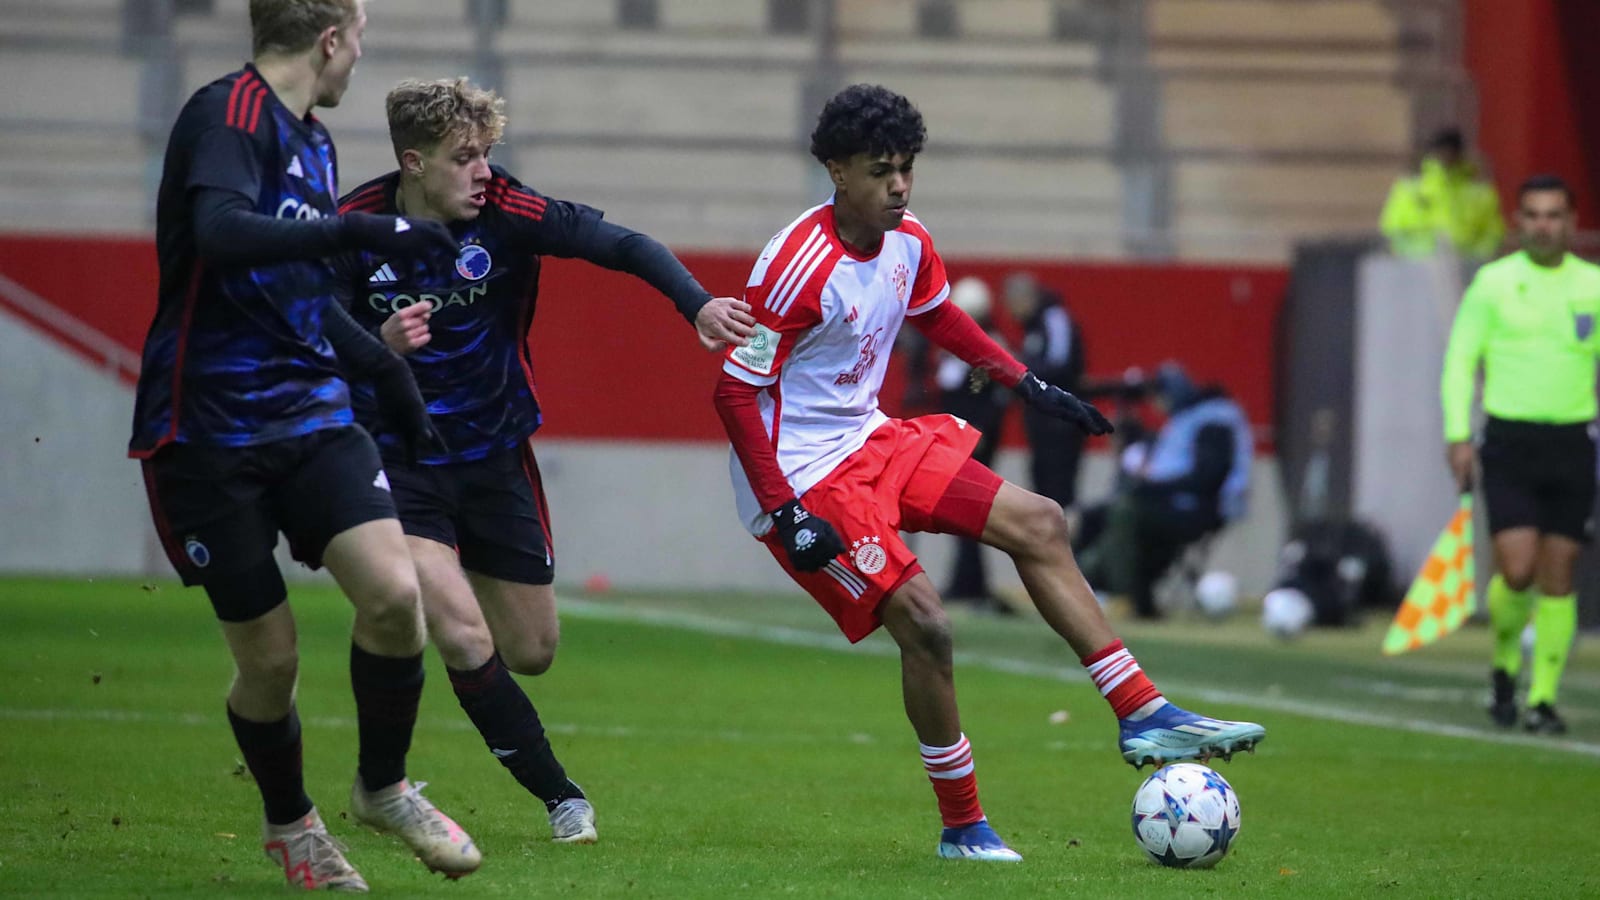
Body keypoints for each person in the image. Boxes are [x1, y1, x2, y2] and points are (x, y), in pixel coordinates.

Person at [712, 84, 1265, 863]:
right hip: (801, 476)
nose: (900, 186)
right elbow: (735, 389)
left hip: (869, 440)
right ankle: (963, 826)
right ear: (837, 171)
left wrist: (1028, 384)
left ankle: (1143, 710)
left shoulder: (908, 240)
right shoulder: (798, 266)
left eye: (907, 168)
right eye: (881, 171)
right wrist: (784, 508)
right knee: (928, 625)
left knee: (1041, 521)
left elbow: (939, 314)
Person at [333, 77, 755, 844]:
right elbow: (299, 338)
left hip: (494, 456)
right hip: (397, 462)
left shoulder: (509, 213)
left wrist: (695, 303)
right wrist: (376, 351)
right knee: (460, 631)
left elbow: (621, 243)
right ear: (413, 161)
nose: (484, 170)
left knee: (531, 651)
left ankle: (382, 650)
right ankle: (560, 797)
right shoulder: (352, 228)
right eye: (466, 157)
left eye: (488, 153)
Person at [128, 1, 482, 890]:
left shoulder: (315, 144)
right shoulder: (227, 118)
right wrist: (358, 230)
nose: (359, 57)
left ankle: (384, 786)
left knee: (396, 595)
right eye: (358, 38)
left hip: (314, 417)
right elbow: (220, 233)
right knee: (271, 658)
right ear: (331, 39)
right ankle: (291, 825)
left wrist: (387, 378)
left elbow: (304, 289)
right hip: (207, 429)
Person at [1442, 173, 1599, 735]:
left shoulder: (1593, 286)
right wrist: (1458, 433)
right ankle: (1505, 664)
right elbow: (1462, 360)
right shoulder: (1493, 284)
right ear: (1519, 221)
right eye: (1532, 214)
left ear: (1572, 222)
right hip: (1508, 441)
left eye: (1554, 215)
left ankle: (1543, 700)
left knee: (1560, 576)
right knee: (1518, 569)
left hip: (1572, 442)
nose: (1543, 225)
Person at [1075, 364, 1253, 619]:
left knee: (1126, 512)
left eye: (1158, 398)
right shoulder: (1185, 419)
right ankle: (1089, 584)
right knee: (1093, 515)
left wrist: (1153, 488)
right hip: (1171, 503)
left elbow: (1208, 477)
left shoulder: (1213, 419)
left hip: (1199, 508)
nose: (1157, 406)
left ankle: (1127, 595)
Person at [934, 277, 1011, 610]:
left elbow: (987, 396)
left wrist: (978, 433)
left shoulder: (988, 345)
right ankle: (966, 581)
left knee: (969, 508)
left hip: (974, 441)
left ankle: (970, 583)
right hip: (956, 436)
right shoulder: (955, 346)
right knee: (958, 509)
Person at [1003, 272, 1088, 511]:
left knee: (1060, 494)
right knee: (1043, 492)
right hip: (1042, 424)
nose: (1010, 312)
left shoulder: (1054, 318)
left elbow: (1059, 364)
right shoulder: (1034, 327)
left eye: (1012, 304)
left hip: (1061, 425)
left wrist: (1018, 367)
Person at [1380, 127, 1504, 262]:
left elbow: (1492, 235)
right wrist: (1416, 257)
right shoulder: (1410, 189)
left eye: (1451, 151)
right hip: (1417, 267)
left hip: (1464, 269)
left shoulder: (1480, 193)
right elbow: (1392, 230)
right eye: (1442, 151)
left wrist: (1472, 259)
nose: (1446, 157)